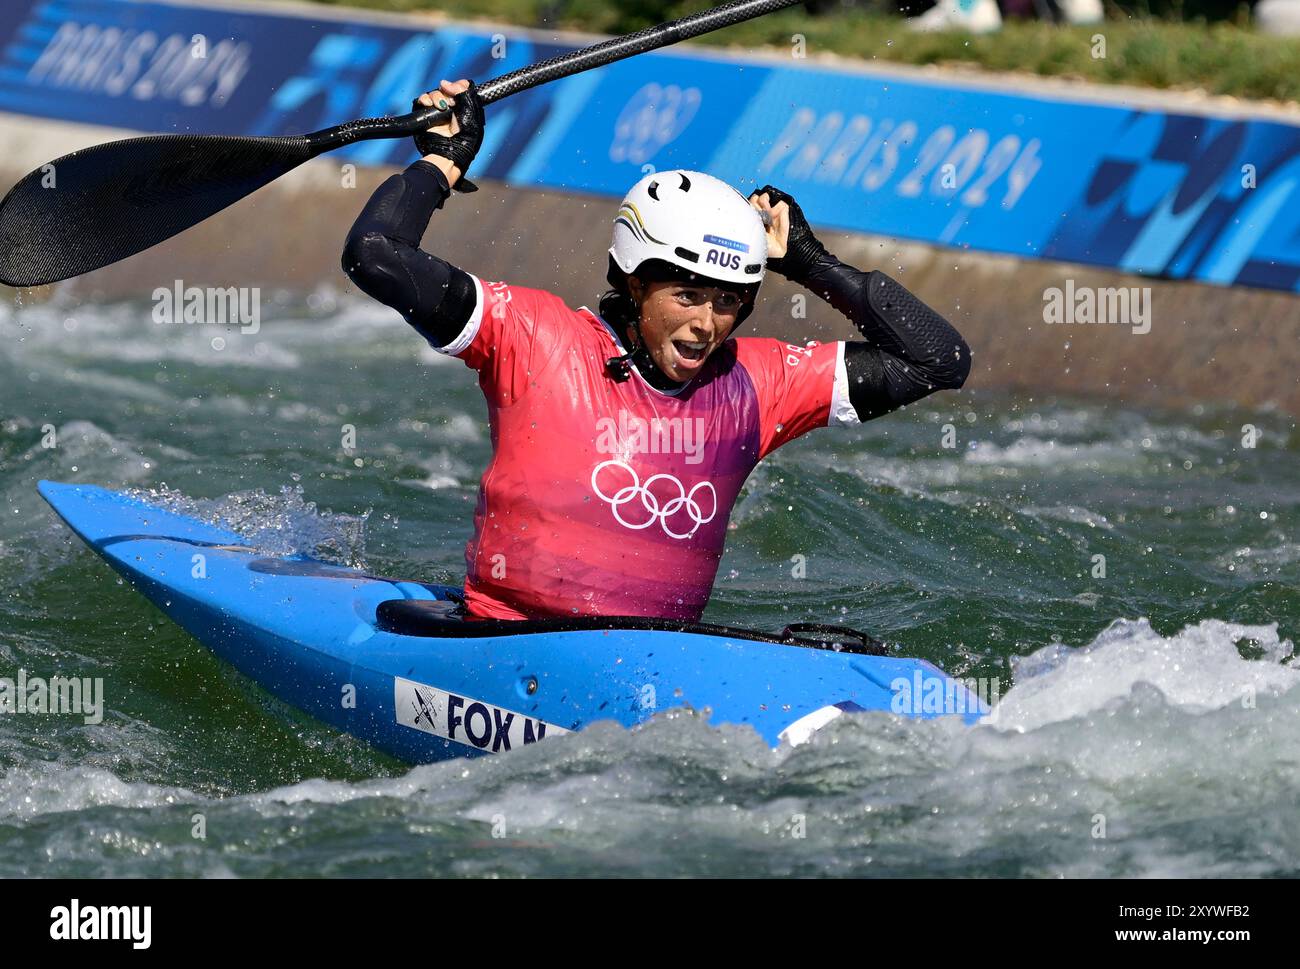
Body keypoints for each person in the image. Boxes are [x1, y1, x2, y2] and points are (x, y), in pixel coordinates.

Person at [342, 78, 972, 622]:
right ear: (635, 281)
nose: (707, 324)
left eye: (728, 301)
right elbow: (375, 256)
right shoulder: (535, 337)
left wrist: (812, 264)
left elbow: (939, 361)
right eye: (688, 295)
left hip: (658, 663)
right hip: (501, 643)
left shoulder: (760, 382)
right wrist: (442, 164)